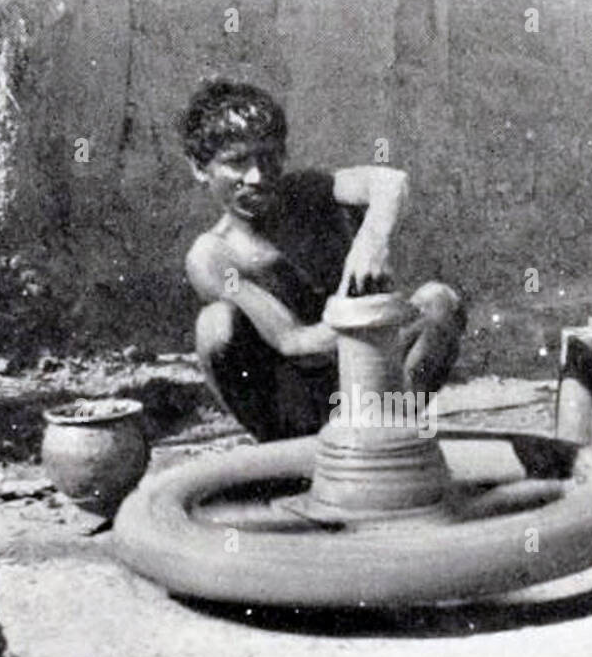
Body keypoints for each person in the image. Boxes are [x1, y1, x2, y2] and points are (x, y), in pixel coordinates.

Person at [179, 80, 464, 441]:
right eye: (236, 162)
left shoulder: (308, 191)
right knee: (214, 326)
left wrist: (372, 241)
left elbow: (390, 182)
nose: (257, 176)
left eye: (268, 158)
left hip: (371, 385)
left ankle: (391, 440)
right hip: (296, 402)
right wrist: (374, 319)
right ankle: (288, 459)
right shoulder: (213, 256)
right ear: (200, 168)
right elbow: (294, 343)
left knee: (439, 303)